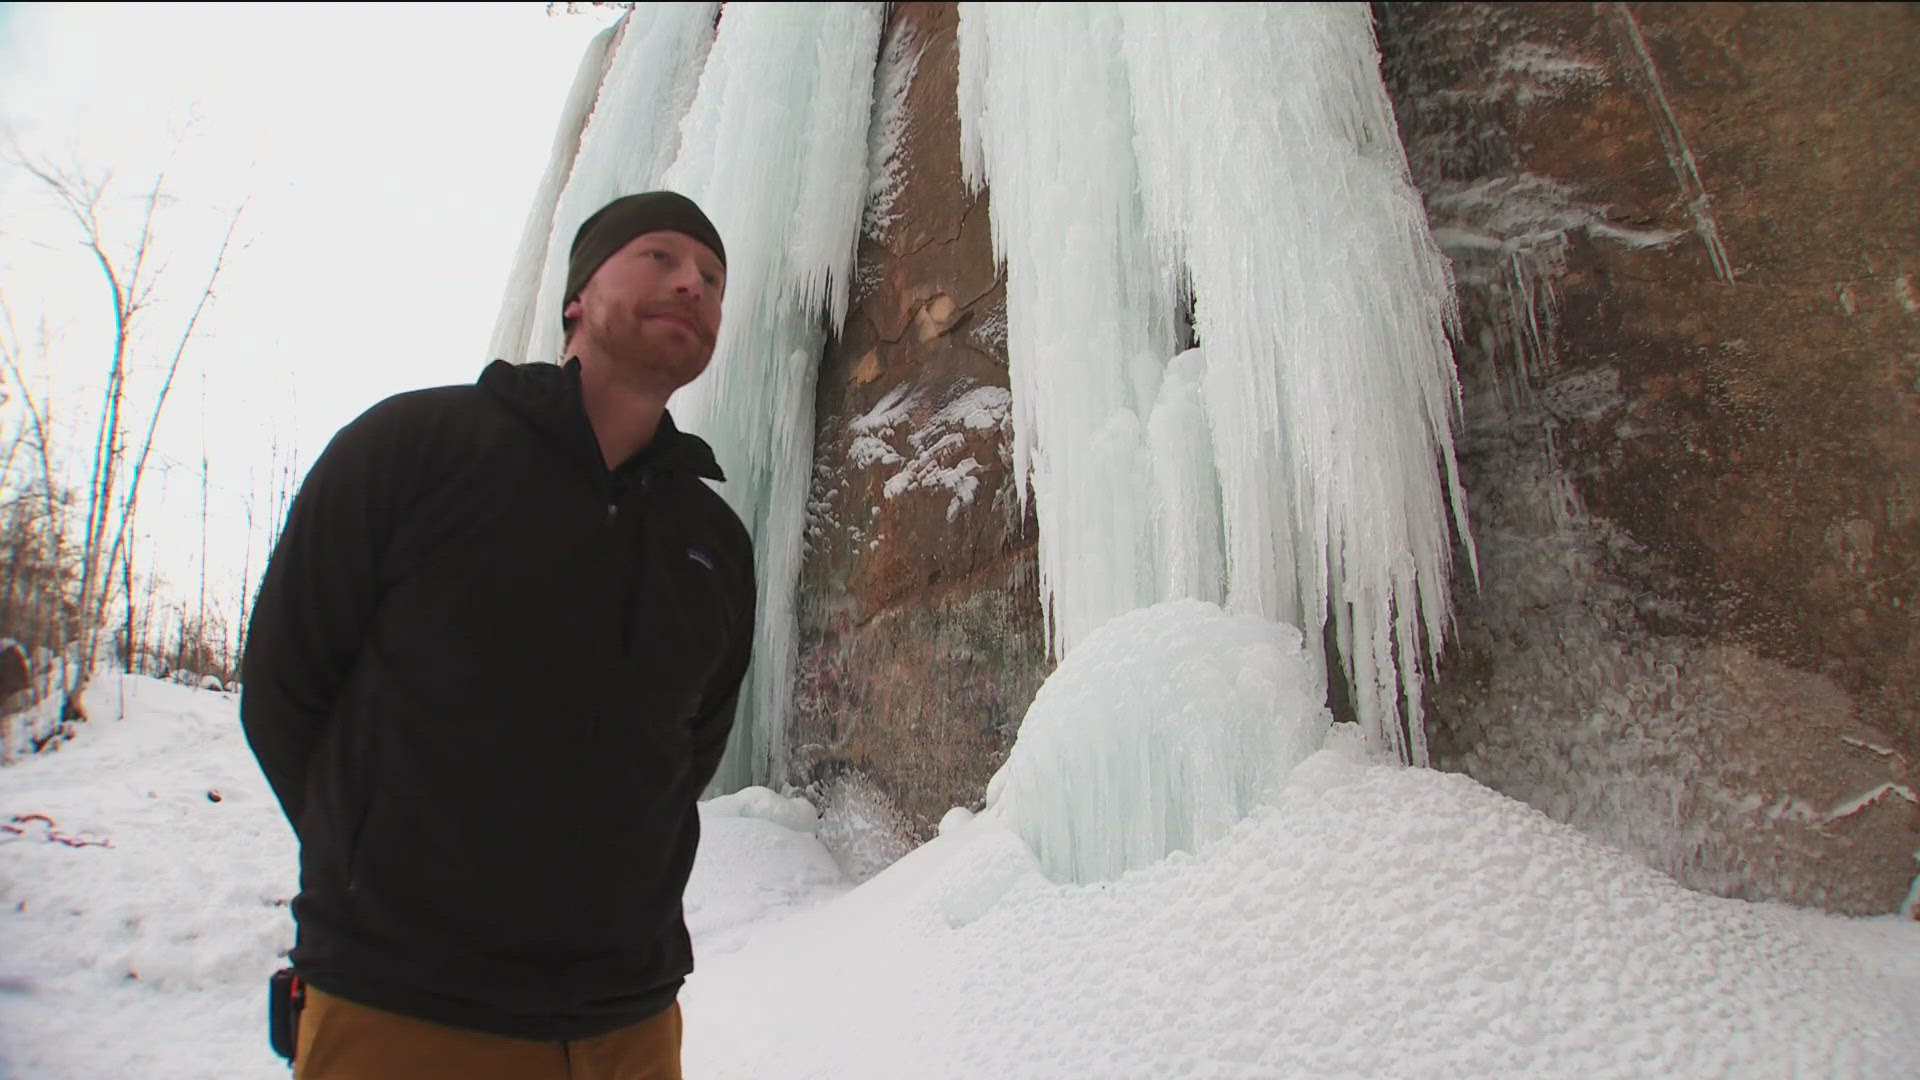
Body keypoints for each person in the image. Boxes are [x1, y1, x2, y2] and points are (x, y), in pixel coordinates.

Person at [241, 191, 754, 1080]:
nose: (692, 286)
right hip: (404, 1010)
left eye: (712, 277)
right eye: (661, 258)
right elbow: (285, 689)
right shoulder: (415, 448)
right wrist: (379, 880)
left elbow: (688, 749)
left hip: (629, 1025)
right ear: (576, 299)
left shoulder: (712, 543)